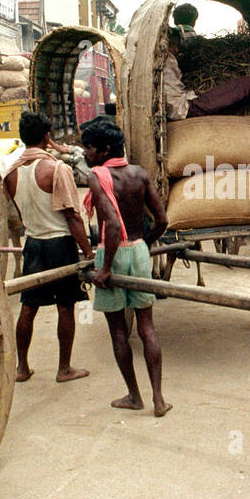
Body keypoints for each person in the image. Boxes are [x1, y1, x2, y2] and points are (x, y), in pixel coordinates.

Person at [81, 119, 171, 416]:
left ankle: (135, 396)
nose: (85, 153)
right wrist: (145, 243)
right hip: (139, 252)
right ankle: (159, 399)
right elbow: (162, 221)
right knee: (147, 327)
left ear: (104, 150)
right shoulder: (140, 174)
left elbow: (112, 223)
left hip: (113, 253)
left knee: (119, 330)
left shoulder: (98, 176)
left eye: (89, 148)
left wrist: (105, 269)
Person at [5, 111, 95, 383]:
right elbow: (72, 216)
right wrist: (89, 252)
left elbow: (17, 211)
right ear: (47, 137)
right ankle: (64, 369)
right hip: (59, 244)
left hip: (33, 244)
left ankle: (22, 368)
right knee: (65, 306)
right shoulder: (56, 169)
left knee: (28, 307)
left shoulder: (10, 172)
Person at [161, 27, 250, 120]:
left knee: (244, 86)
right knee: (242, 86)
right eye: (173, 45)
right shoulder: (166, 58)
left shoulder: (162, 60)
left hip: (188, 105)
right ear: (165, 44)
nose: (177, 50)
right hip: (189, 109)